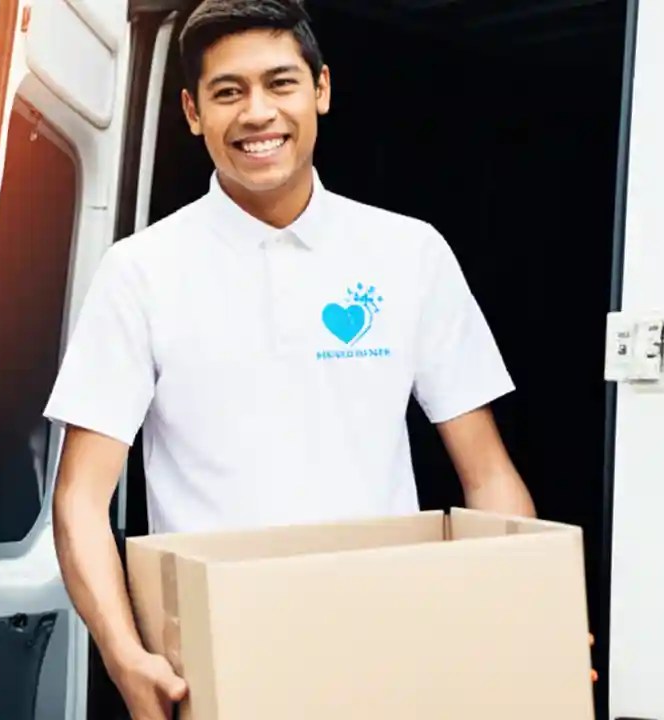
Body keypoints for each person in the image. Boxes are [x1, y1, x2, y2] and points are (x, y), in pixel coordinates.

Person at [42, 1, 544, 717]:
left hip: (399, 647)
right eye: (227, 91)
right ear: (192, 111)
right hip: (218, 662)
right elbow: (81, 501)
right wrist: (126, 658)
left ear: (322, 90)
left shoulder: (410, 254)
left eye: (280, 83)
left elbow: (488, 472)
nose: (257, 113)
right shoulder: (141, 272)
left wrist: (522, 621)